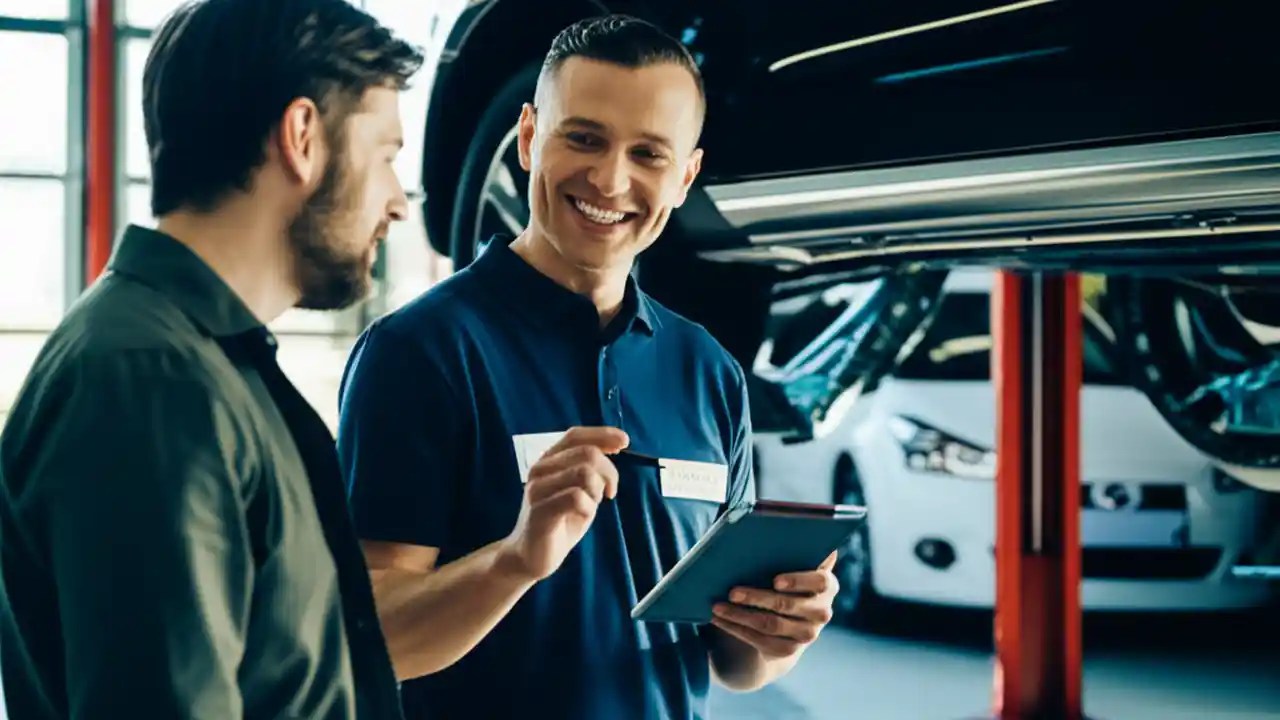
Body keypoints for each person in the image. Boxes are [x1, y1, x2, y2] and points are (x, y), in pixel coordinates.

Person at [336, 14, 839, 720]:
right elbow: (370, 637)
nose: (610, 179)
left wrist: (778, 631)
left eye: (649, 154)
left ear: (685, 175)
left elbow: (734, 664)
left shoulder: (709, 371)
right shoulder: (419, 353)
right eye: (584, 138)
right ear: (528, 137)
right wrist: (515, 560)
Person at [0, 1, 422, 717]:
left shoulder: (203, 366)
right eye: (385, 155)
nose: (397, 202)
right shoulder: (151, 383)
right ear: (302, 136)